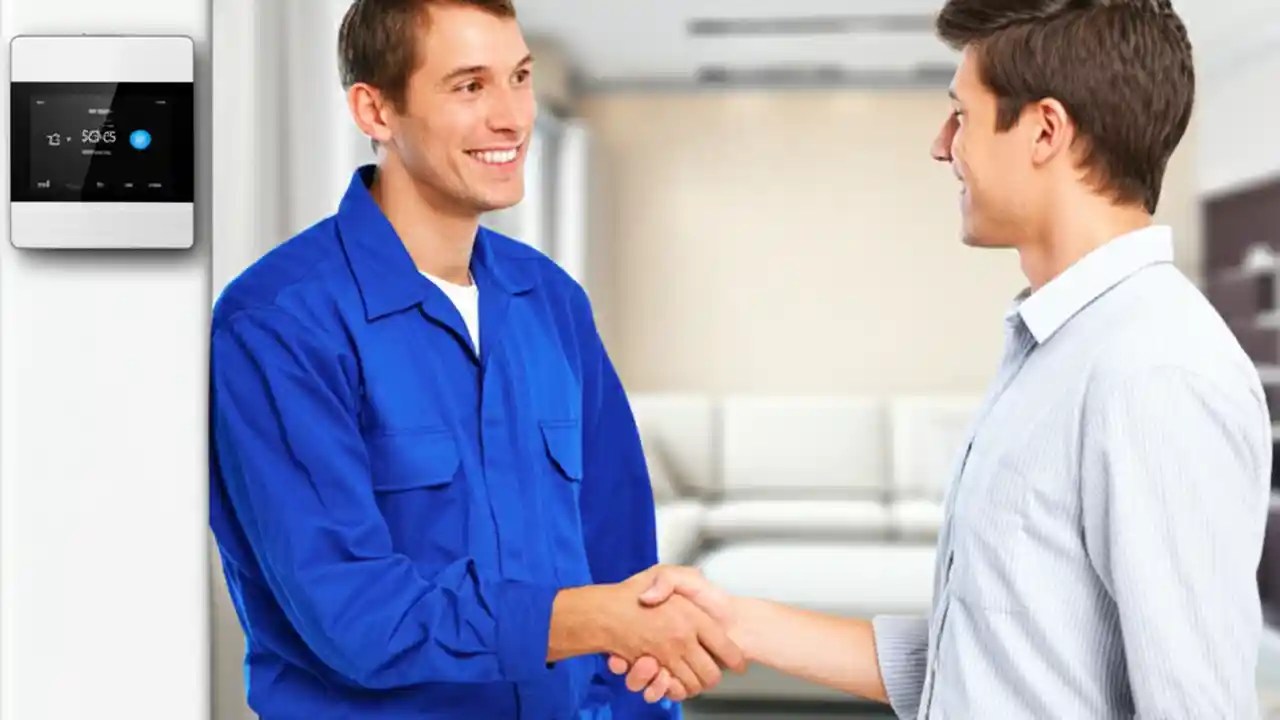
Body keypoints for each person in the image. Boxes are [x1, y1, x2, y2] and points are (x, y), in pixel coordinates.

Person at [611, 0, 1272, 717]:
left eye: (961, 114)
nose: (940, 144)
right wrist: (733, 620)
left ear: (1044, 130)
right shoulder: (1056, 347)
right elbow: (986, 660)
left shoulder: (1155, 369)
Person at [208, 1, 744, 717]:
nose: (512, 117)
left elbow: (622, 568)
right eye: (469, 86)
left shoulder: (552, 303)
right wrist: (592, 618)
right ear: (374, 110)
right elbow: (357, 616)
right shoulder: (280, 325)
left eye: (519, 78)